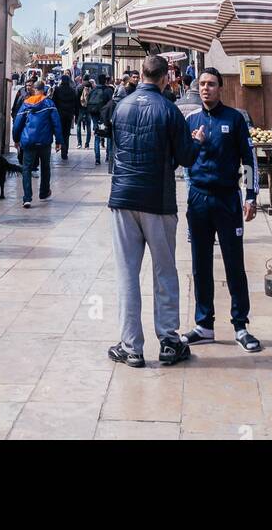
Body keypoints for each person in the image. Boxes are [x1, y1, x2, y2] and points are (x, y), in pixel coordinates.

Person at [107, 54, 205, 368]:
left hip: (122, 198)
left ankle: (131, 346)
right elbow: (186, 158)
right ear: (165, 78)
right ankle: (168, 340)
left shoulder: (121, 106)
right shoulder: (169, 110)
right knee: (164, 271)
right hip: (158, 201)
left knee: (127, 274)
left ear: (142, 76)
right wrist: (197, 141)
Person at [182, 65, 262, 352]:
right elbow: (183, 159)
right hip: (199, 200)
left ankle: (240, 325)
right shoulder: (190, 120)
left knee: (233, 262)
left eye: (212, 84)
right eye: (202, 84)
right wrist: (193, 147)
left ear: (220, 88)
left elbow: (250, 160)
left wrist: (251, 196)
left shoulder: (235, 119)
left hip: (228, 199)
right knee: (200, 262)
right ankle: (204, 324)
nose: (206, 88)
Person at [12, 78, 62, 206]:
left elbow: (18, 123)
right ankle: (44, 192)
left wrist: (16, 139)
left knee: (26, 168)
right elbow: (56, 123)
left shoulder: (26, 103)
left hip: (28, 141)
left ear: (34, 90)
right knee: (45, 167)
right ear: (44, 89)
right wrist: (58, 141)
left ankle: (27, 198)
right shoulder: (49, 104)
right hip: (44, 141)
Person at [52, 70, 79, 161]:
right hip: (69, 115)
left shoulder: (57, 90)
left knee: (59, 132)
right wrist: (76, 115)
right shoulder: (72, 91)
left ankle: (59, 145)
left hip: (59, 115)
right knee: (66, 134)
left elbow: (54, 102)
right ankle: (65, 152)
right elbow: (76, 104)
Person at [88, 73, 114, 166]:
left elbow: (88, 102)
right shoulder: (109, 91)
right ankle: (108, 157)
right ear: (106, 81)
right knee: (108, 136)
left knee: (97, 136)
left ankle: (97, 159)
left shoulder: (93, 90)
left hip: (95, 115)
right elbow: (112, 104)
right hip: (105, 116)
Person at [77, 77, 93, 148]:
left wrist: (76, 111)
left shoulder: (79, 87)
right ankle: (87, 144)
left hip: (80, 108)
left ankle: (79, 143)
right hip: (88, 109)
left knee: (78, 126)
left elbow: (76, 99)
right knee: (88, 126)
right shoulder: (91, 87)